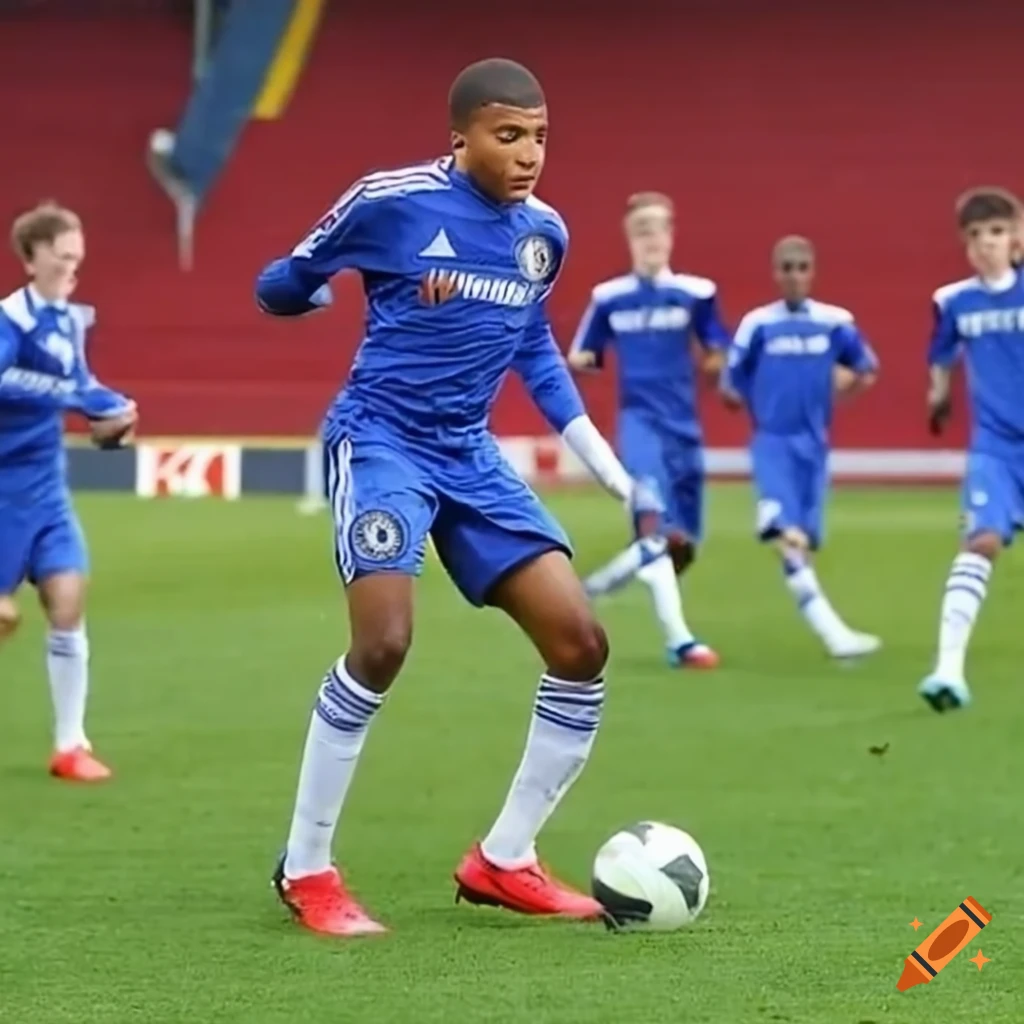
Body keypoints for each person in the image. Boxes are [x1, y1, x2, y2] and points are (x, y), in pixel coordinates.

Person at [255, 58, 652, 937]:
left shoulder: (544, 234)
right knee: (385, 642)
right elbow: (279, 282)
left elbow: (537, 352)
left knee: (581, 642)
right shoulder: (390, 201)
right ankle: (307, 868)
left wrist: (615, 474)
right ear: (461, 137)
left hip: (468, 455)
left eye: (541, 136)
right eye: (509, 135)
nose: (529, 154)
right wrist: (320, 289)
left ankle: (505, 859)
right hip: (383, 439)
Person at [0, 201, 138, 781]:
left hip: (47, 490)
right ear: (32, 258)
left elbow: (80, 384)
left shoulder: (69, 321)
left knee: (67, 602)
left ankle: (70, 744)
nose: (72, 266)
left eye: (78, 256)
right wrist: (72, 396)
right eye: (62, 256)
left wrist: (115, 414)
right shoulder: (11, 321)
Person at [566, 193, 725, 669]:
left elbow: (717, 347)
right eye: (641, 231)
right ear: (629, 239)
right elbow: (582, 353)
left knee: (681, 544)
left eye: (657, 229)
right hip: (640, 426)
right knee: (654, 524)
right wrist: (578, 364)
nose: (650, 240)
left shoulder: (697, 294)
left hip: (684, 429)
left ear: (671, 236)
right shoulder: (610, 298)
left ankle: (592, 588)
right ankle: (681, 642)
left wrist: (720, 366)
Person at [720, 236, 881, 658]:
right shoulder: (758, 324)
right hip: (773, 444)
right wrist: (761, 397)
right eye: (786, 268)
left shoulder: (833, 322)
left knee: (804, 540)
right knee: (786, 536)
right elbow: (730, 383)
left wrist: (837, 388)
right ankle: (835, 635)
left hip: (815, 446)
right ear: (776, 273)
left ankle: (832, 631)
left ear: (812, 272)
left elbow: (866, 368)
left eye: (801, 267)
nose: (794, 275)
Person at [918, 187, 1024, 711]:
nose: (987, 245)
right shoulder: (955, 302)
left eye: (997, 233)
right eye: (977, 236)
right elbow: (941, 355)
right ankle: (947, 671)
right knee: (981, 542)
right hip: (995, 449)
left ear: (1017, 239)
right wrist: (937, 395)